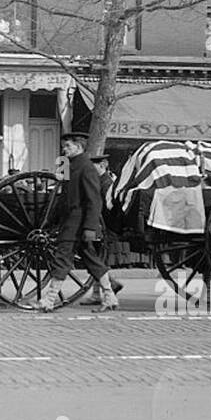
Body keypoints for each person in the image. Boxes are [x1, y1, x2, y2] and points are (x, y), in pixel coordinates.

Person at [39, 133, 115, 312]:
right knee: (90, 259)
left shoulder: (86, 168)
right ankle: (109, 295)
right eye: (64, 147)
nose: (64, 150)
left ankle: (49, 300)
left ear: (79, 147)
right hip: (70, 221)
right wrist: (50, 220)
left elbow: (94, 200)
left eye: (68, 147)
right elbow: (62, 195)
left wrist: (90, 227)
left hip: (77, 222)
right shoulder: (69, 166)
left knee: (62, 257)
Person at [79, 153, 127, 306]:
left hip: (104, 227)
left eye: (94, 165)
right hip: (97, 226)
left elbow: (106, 208)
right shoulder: (97, 181)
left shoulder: (107, 183)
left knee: (96, 260)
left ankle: (100, 292)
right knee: (96, 260)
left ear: (103, 165)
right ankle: (106, 287)